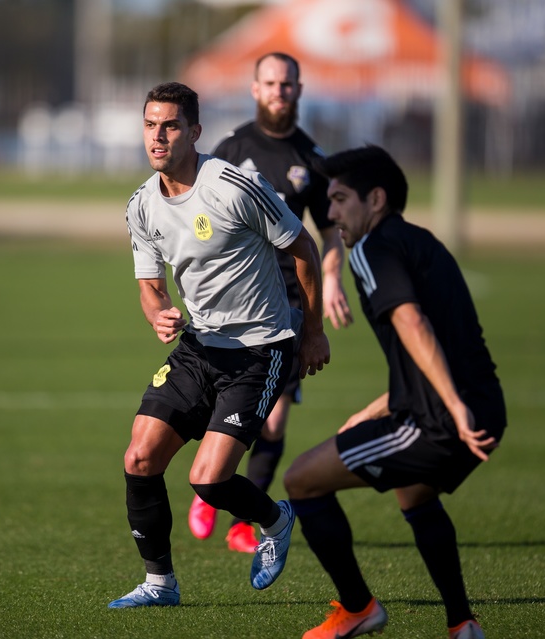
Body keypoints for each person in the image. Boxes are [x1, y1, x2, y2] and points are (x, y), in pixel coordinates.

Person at [109, 81, 331, 609]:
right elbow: (149, 283)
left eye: (169, 126)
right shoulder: (141, 205)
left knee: (208, 481)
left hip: (260, 349)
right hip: (198, 347)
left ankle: (275, 520)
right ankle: (159, 583)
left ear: (194, 132)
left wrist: (314, 330)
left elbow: (304, 246)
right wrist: (158, 314)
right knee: (140, 458)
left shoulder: (233, 185)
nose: (157, 136)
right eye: (149, 125)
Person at [283, 145, 506, 639]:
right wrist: (376, 407)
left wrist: (451, 408)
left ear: (376, 199)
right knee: (414, 493)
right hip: (484, 407)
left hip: (441, 420)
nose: (332, 213)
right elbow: (437, 345)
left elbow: (411, 322)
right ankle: (462, 623)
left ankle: (358, 608)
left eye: (340, 199)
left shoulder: (370, 250)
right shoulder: (422, 243)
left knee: (301, 480)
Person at [188, 51, 354, 554]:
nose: (279, 91)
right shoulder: (232, 148)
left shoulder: (312, 158)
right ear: (255, 89)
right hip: (238, 294)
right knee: (225, 398)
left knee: (275, 416)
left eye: (288, 83)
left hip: (291, 297)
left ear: (299, 90)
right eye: (270, 82)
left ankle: (244, 516)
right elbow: (201, 213)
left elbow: (332, 233)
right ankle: (211, 484)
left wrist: (332, 277)